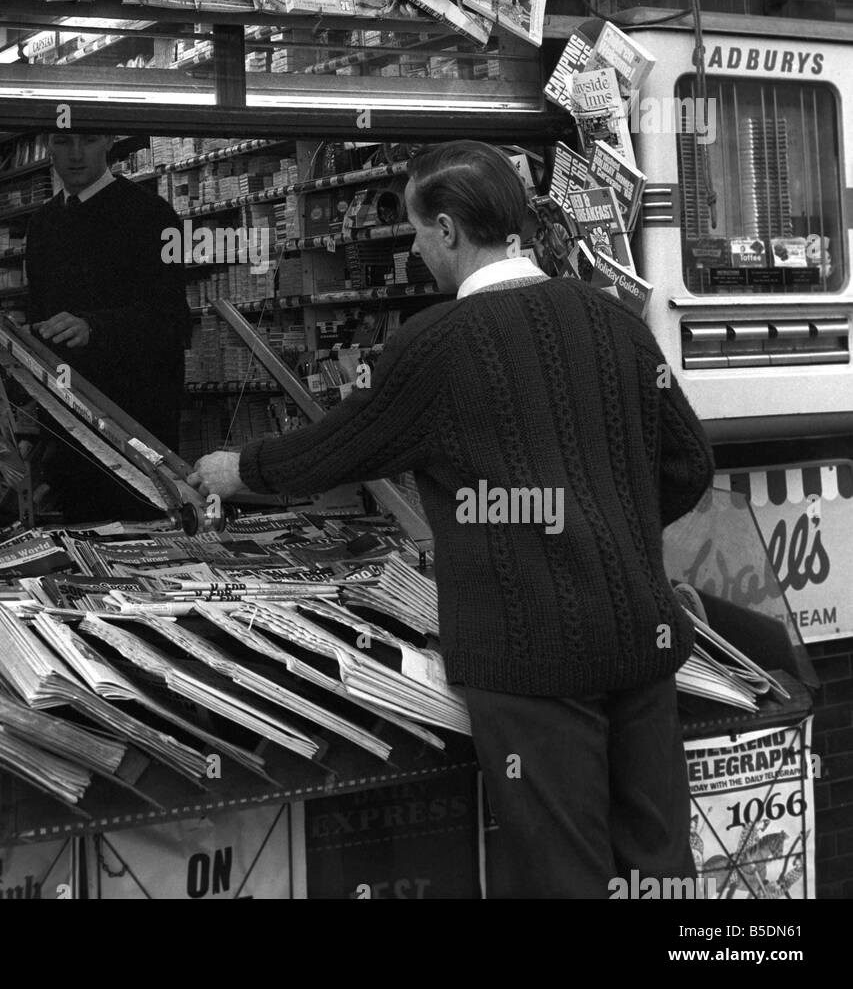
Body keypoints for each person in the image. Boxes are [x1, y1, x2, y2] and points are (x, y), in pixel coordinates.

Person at [190, 140, 715, 899]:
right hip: (641, 636)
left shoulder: (435, 346)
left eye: (412, 229)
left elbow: (337, 448)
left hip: (531, 660)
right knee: (659, 871)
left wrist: (236, 470)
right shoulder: (615, 323)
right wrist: (612, 534)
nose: (411, 247)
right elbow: (688, 463)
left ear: (446, 229)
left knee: (562, 875)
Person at [24, 132, 189, 521]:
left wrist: (94, 328)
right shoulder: (43, 224)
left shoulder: (152, 215)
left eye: (89, 141)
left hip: (136, 430)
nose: (76, 154)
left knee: (140, 536)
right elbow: (38, 317)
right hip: (66, 430)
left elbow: (174, 321)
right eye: (64, 143)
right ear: (49, 146)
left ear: (109, 144)